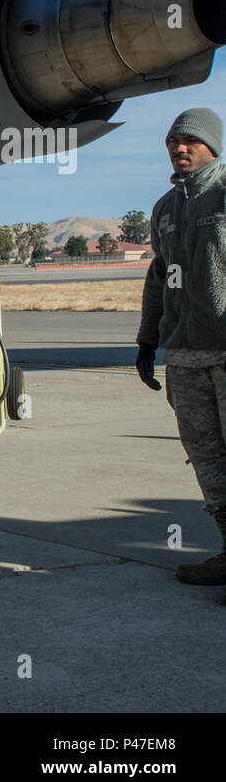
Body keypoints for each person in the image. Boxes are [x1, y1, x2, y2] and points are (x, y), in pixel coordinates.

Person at [136, 108, 226, 589]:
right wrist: (148, 338)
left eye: (190, 140)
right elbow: (157, 277)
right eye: (173, 140)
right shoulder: (166, 208)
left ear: (212, 145)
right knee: (208, 461)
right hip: (185, 358)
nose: (179, 147)